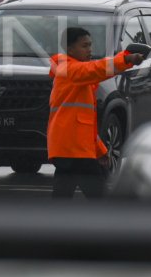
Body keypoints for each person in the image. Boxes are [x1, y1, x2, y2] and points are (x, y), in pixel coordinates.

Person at [48, 27, 145, 199]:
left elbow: (84, 122)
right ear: (69, 49)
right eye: (84, 46)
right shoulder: (68, 69)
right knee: (98, 196)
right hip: (74, 150)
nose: (89, 50)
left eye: (90, 45)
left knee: (63, 197)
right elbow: (95, 69)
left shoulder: (73, 73)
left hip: (69, 148)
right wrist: (126, 58)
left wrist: (99, 150)